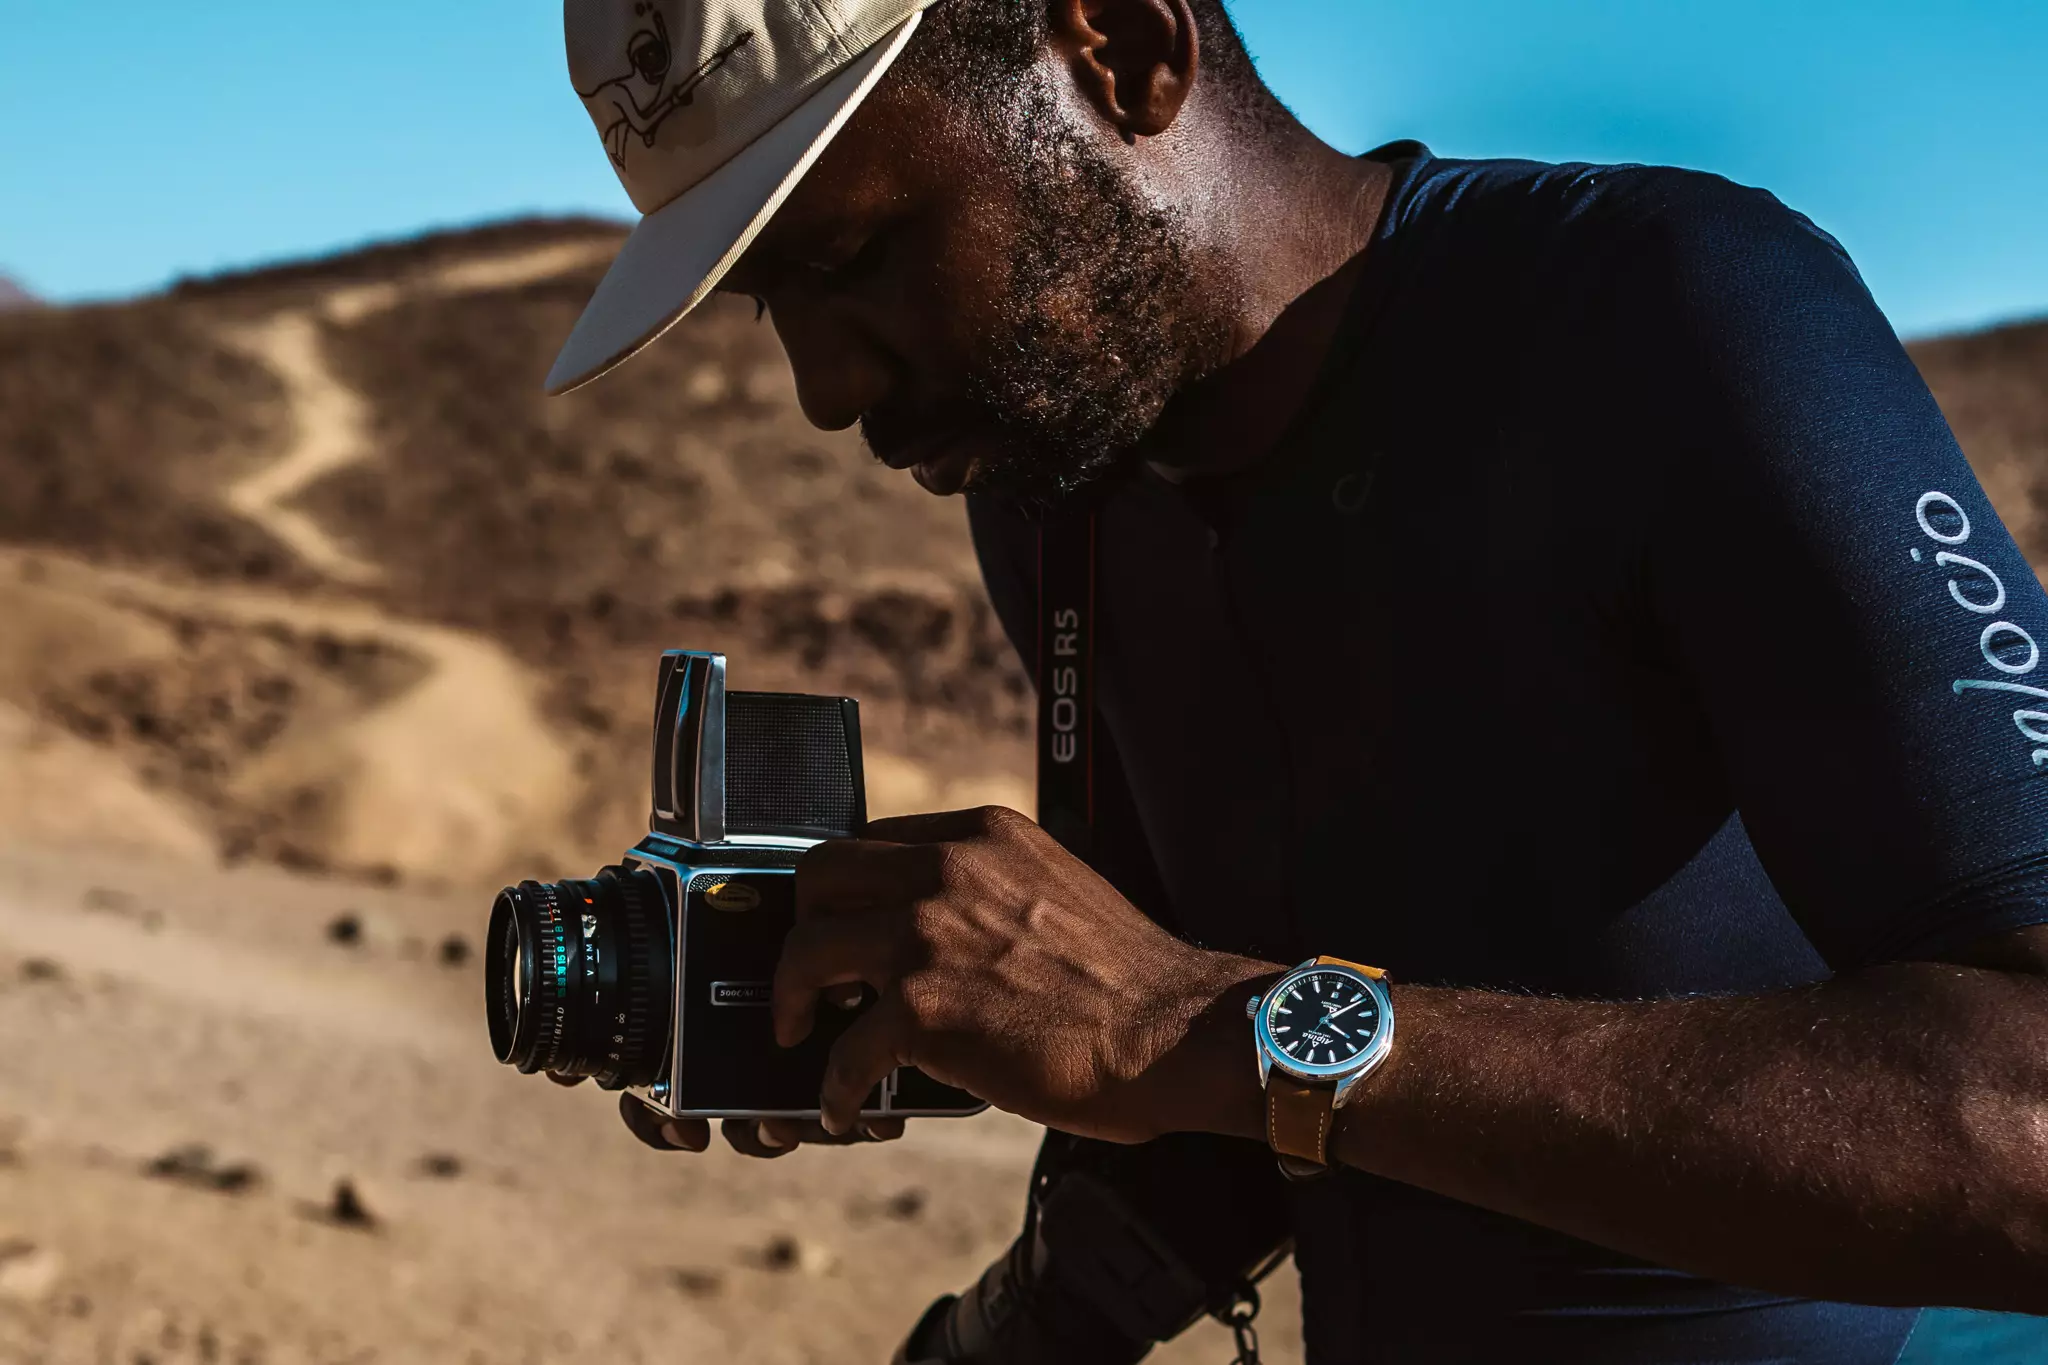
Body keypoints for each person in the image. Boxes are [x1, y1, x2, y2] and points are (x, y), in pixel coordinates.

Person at [544, 0, 2048, 1359]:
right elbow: (1214, 1127)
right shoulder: (1055, 477)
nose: (826, 391)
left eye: (857, 254)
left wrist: (1198, 1025)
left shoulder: (1662, 314)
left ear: (1124, 49)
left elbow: (2028, 1123)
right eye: (765, 300)